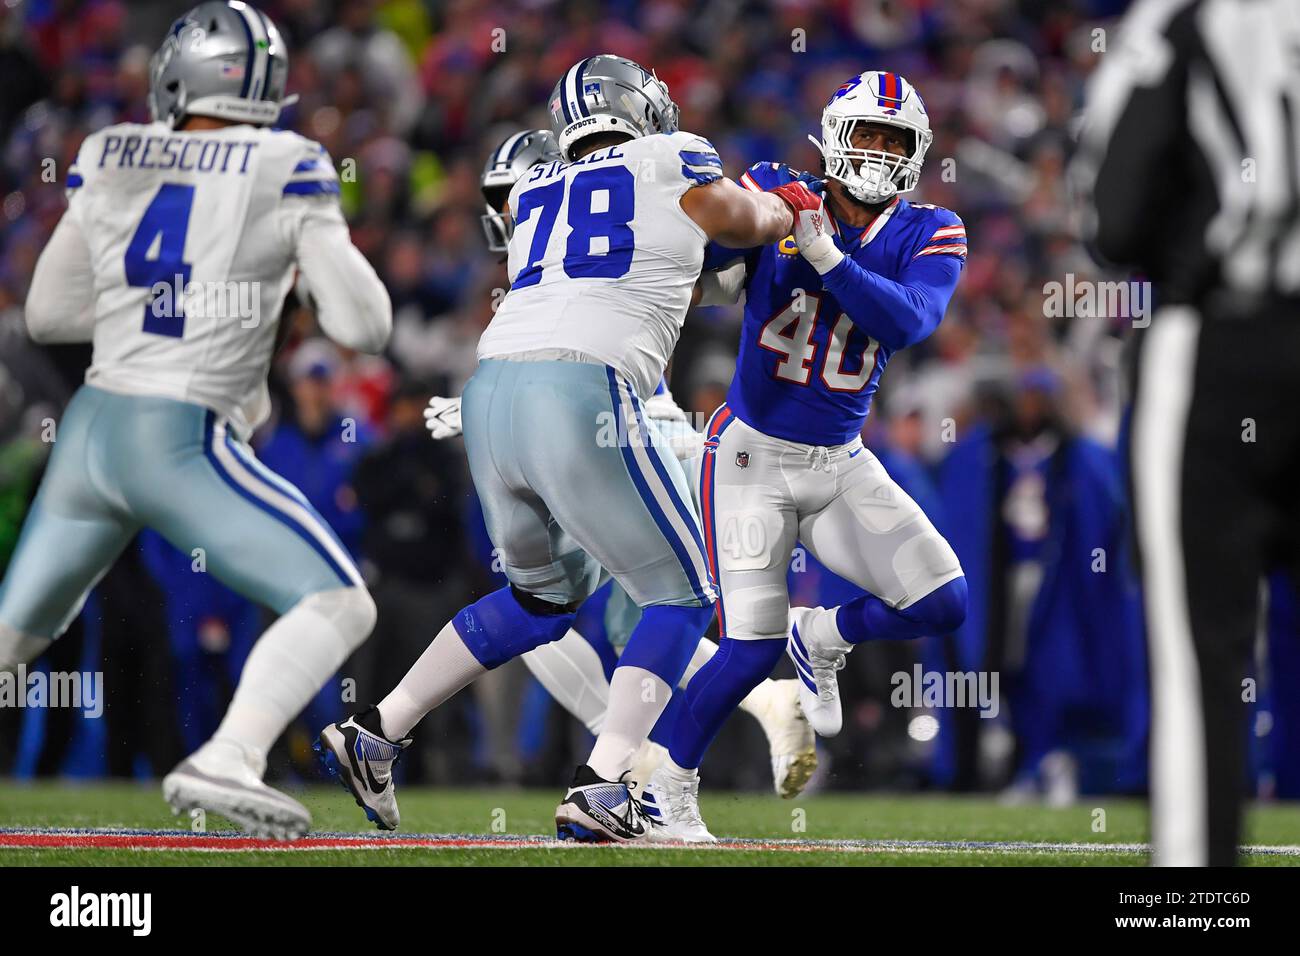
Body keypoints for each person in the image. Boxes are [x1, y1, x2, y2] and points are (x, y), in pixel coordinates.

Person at [318, 54, 799, 843]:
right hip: (583, 392)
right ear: (637, 109)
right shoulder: (669, 156)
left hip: (491, 392)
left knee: (542, 599)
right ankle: (603, 783)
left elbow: (649, 265)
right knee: (680, 596)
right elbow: (744, 224)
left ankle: (376, 730)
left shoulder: (538, 187)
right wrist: (788, 207)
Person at [0, 1, 392, 839]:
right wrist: (297, 249)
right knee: (339, 602)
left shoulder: (110, 152)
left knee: (11, 640)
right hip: (175, 432)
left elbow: (47, 311)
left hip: (90, 431)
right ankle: (231, 756)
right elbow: (365, 328)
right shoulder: (285, 160)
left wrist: (150, 307)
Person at [659, 71, 970, 837]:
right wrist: (730, 254)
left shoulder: (934, 229)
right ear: (834, 135)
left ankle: (823, 635)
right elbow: (721, 255)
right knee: (745, 650)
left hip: (839, 460)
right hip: (751, 454)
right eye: (868, 133)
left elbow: (909, 322)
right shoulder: (781, 187)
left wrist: (827, 256)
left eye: (895, 140)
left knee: (942, 600)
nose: (879, 151)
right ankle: (659, 790)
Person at [1074, 0, 1300, 866]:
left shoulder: (1184, 18)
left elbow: (1114, 215)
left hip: (1220, 346)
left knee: (1201, 667)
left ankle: (1195, 905)